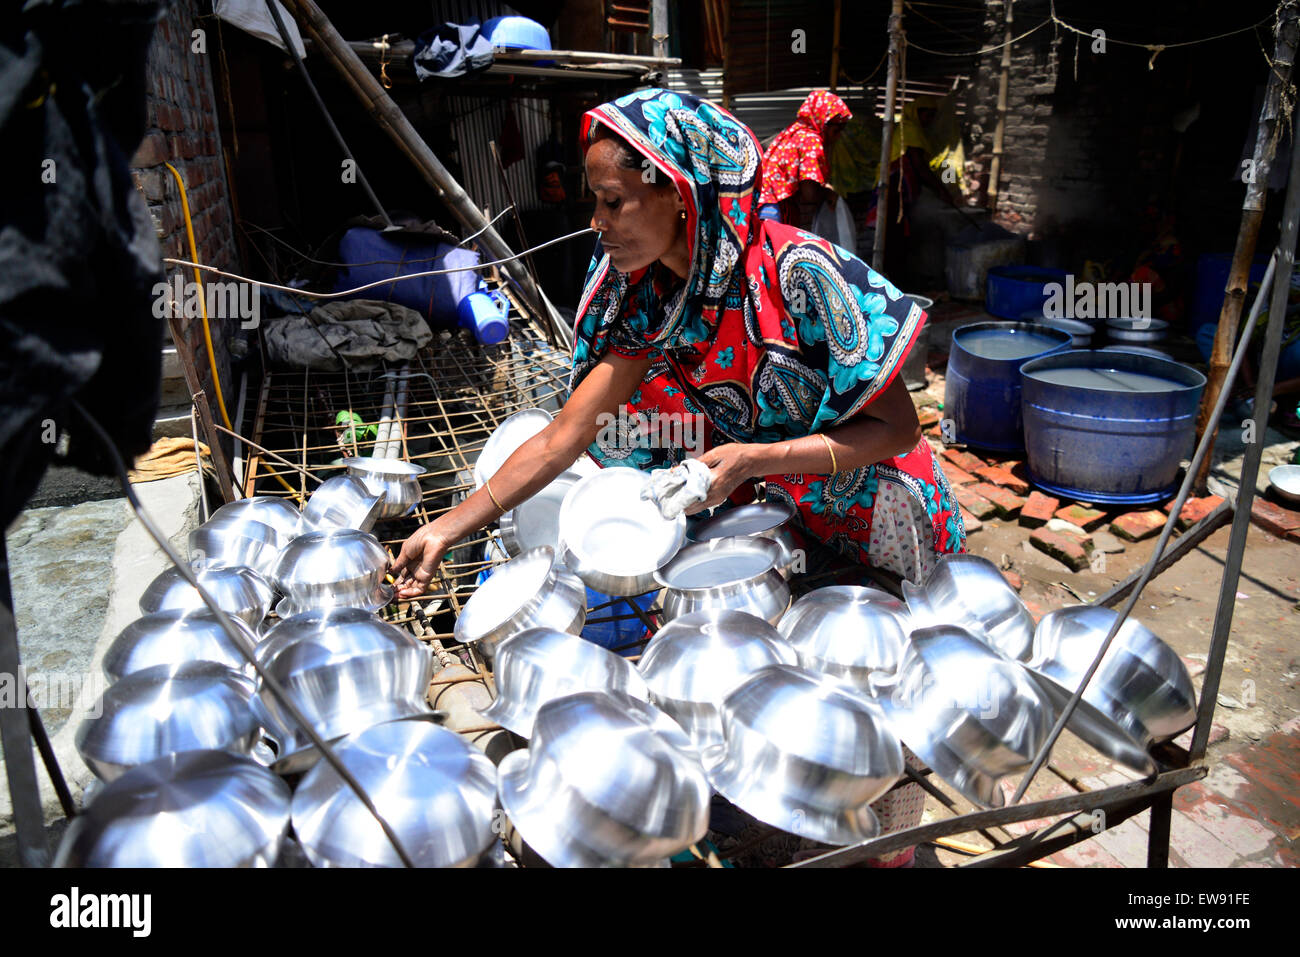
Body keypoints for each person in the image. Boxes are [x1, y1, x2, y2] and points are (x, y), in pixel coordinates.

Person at [392, 90, 965, 866]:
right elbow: (567, 435)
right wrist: (447, 525)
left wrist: (756, 459)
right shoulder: (650, 297)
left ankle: (888, 842)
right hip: (784, 512)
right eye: (597, 204)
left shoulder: (801, 276)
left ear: (679, 188)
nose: (598, 223)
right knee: (799, 685)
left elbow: (896, 428)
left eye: (613, 202)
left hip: (874, 505)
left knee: (874, 689)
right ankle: (800, 826)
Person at [756, 90, 852, 228]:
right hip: (773, 207)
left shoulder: (795, 131)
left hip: (763, 202)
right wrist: (827, 194)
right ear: (823, 124)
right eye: (836, 130)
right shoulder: (811, 140)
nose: (838, 137)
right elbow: (809, 193)